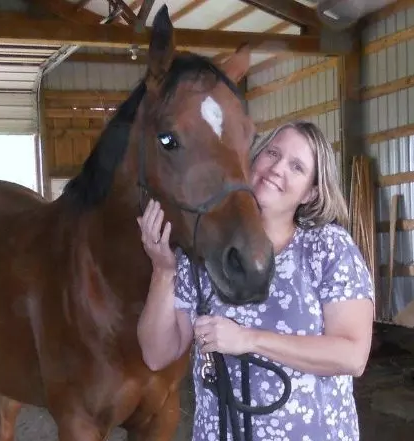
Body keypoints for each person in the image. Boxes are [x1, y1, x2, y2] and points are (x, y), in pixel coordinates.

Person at [136, 120, 375, 441]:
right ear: (252, 162)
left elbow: (352, 356)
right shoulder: (205, 250)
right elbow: (156, 353)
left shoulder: (328, 248)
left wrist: (248, 339)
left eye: (297, 166)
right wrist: (163, 271)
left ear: (311, 192)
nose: (278, 168)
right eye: (272, 153)